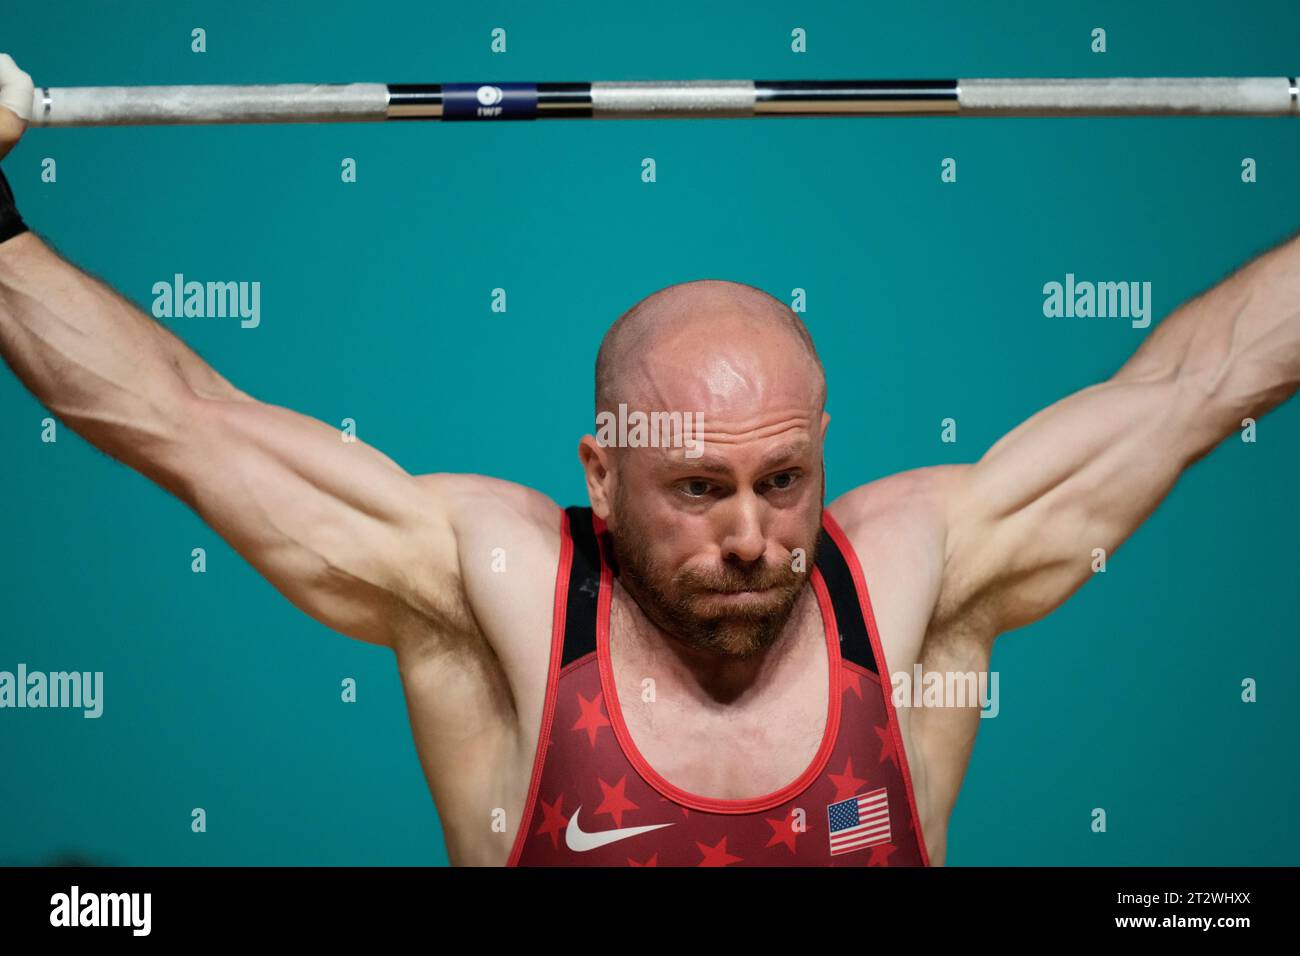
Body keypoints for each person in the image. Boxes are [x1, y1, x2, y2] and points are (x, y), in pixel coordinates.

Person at [1, 52, 1297, 866]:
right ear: (601, 472)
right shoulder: (491, 588)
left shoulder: (922, 570)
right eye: (697, 488)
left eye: (783, 482)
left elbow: (1199, 384)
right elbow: (180, 417)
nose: (751, 536)